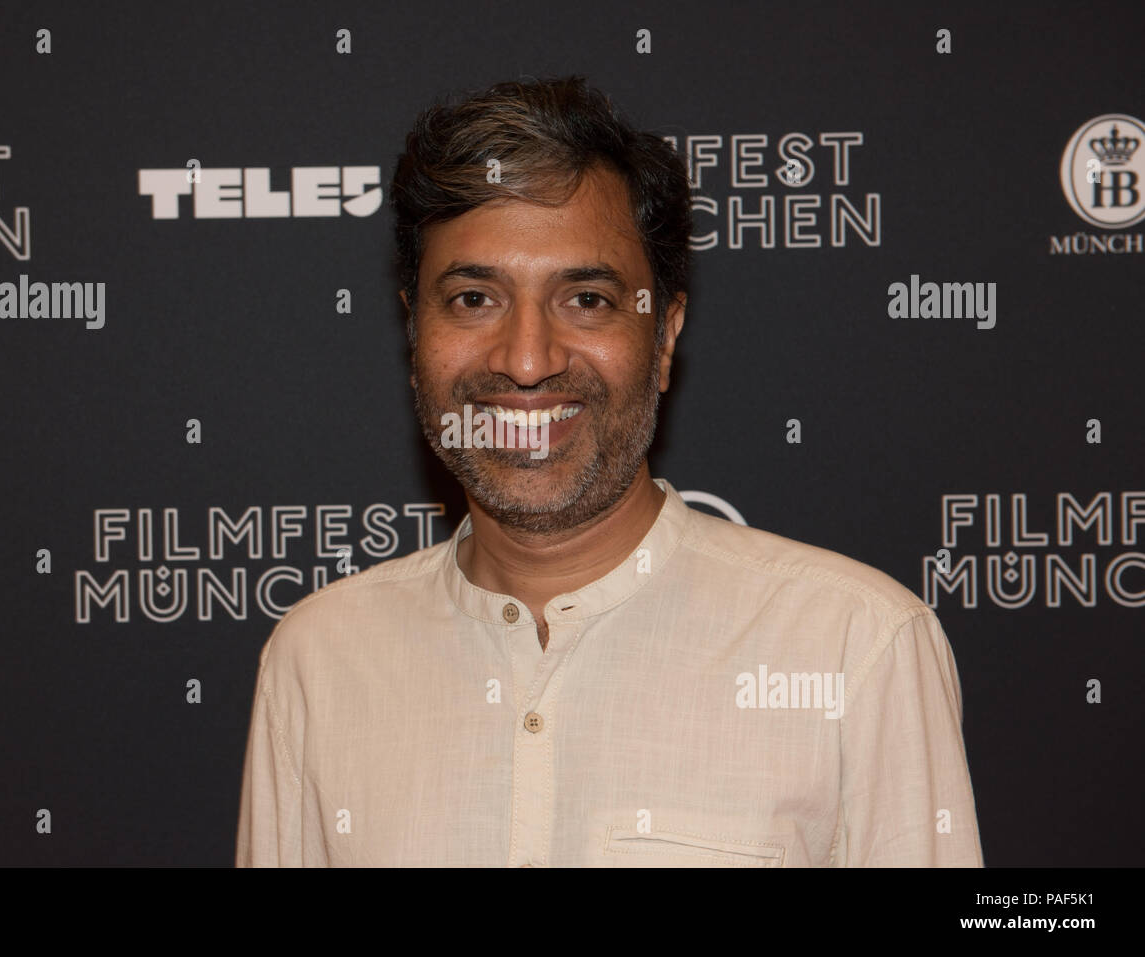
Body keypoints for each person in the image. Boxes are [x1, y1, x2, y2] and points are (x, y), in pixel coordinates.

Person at [236, 75, 983, 867]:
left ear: (664, 338)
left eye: (587, 299)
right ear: (414, 332)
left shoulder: (854, 648)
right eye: (474, 298)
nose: (527, 360)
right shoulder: (318, 659)